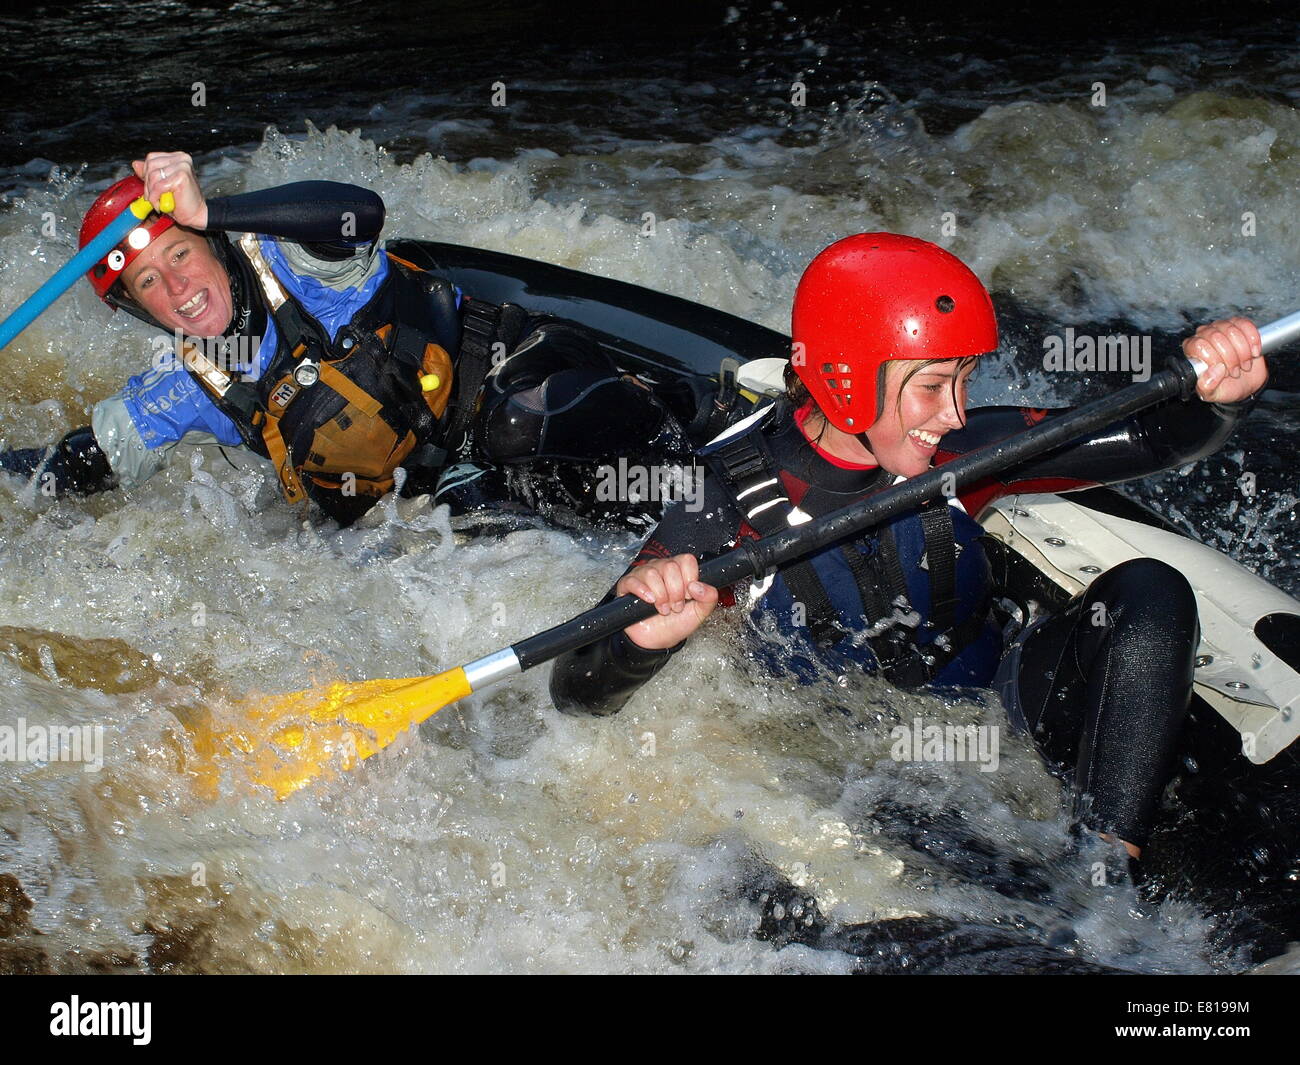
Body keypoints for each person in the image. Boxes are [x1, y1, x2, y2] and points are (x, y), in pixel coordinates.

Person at [550, 232, 1268, 862]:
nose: (953, 412)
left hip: (997, 712)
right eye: (932, 386)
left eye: (962, 381)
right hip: (854, 768)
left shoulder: (962, 450)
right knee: (900, 812)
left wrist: (1215, 393)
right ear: (845, 378)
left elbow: (1153, 438)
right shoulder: (722, 503)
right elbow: (578, 690)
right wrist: (642, 642)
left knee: (1152, 590)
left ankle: (1106, 864)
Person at [0, 151, 690, 526]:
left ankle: (690, 461)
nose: (178, 289)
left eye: (180, 255)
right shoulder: (181, 383)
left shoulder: (291, 256)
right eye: (149, 283)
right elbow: (78, 463)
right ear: (139, 310)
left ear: (208, 239)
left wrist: (212, 207)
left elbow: (363, 212)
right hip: (457, 478)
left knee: (515, 422)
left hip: (525, 381)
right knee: (462, 523)